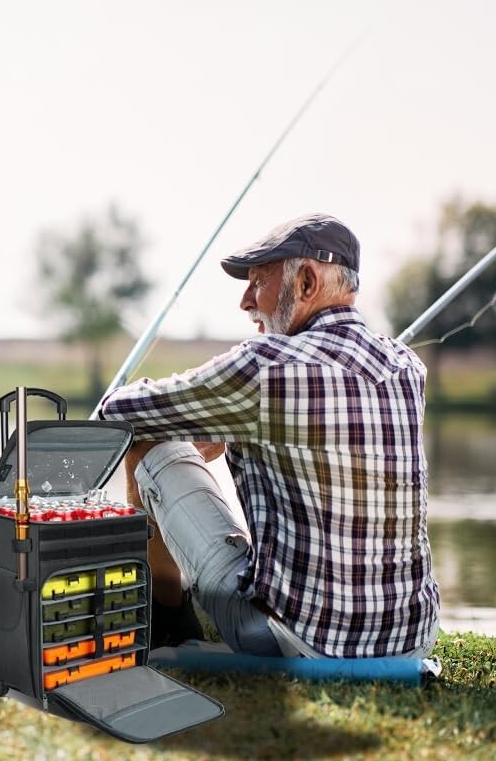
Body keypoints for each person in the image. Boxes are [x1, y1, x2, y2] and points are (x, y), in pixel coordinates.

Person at [99, 213, 440, 658]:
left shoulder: (264, 366)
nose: (245, 301)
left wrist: (200, 426)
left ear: (306, 283)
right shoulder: (407, 365)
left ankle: (165, 621)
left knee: (150, 441)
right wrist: (228, 426)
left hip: (297, 642)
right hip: (410, 642)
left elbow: (118, 412)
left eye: (258, 281)